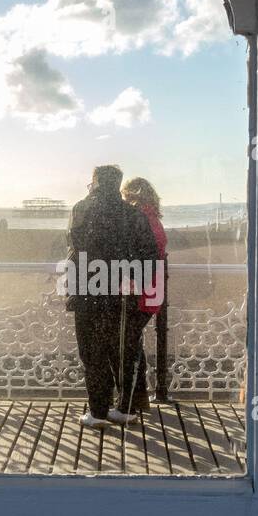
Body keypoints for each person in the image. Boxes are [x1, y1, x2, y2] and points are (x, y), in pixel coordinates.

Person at [65, 164, 158, 429]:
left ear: (94, 183)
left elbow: (75, 246)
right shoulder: (134, 215)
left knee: (92, 353)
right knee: (123, 351)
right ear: (117, 184)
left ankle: (97, 412)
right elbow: (150, 255)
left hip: (90, 291)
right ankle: (125, 409)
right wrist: (133, 282)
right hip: (122, 295)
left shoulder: (82, 208)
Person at [116, 177, 166, 420]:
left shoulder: (138, 218)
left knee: (127, 345)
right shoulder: (153, 217)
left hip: (141, 291)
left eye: (125, 196)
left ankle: (130, 403)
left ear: (133, 196)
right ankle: (138, 399)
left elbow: (137, 255)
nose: (123, 201)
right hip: (153, 290)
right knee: (132, 342)